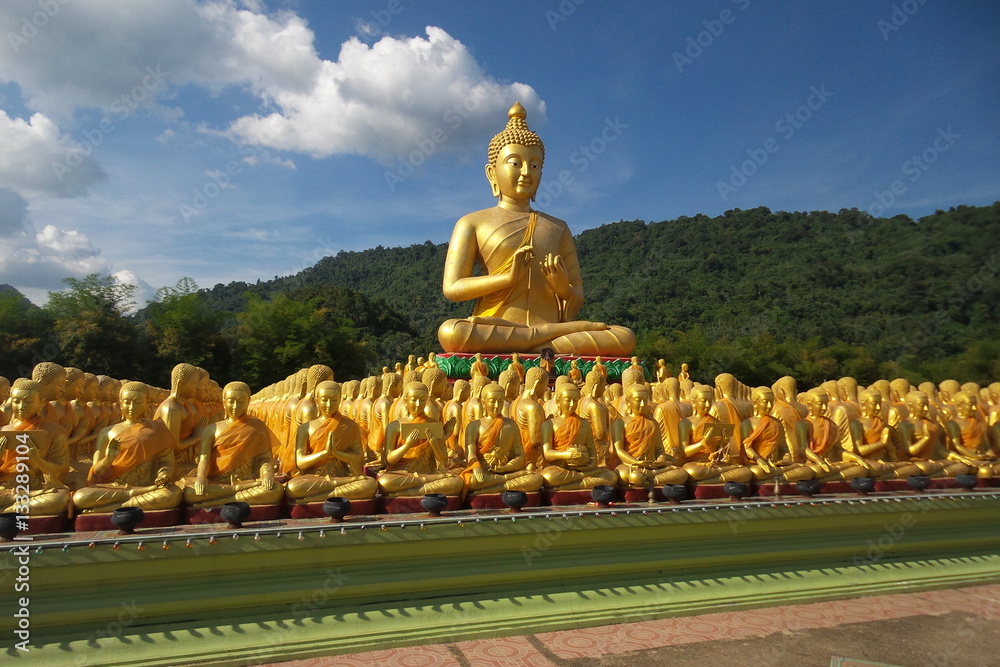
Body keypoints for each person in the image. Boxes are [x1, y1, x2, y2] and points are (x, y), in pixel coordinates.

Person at [437, 102, 634, 355]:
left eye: (535, 165)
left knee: (623, 337)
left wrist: (563, 288)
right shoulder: (472, 223)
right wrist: (508, 278)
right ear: (491, 173)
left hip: (546, 329)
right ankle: (541, 345)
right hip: (500, 327)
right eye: (515, 163)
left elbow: (578, 296)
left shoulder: (558, 228)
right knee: (453, 332)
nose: (526, 173)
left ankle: (538, 342)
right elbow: (453, 288)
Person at [183, 382, 284, 509]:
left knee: (275, 490)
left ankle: (217, 502)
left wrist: (267, 475)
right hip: (220, 483)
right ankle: (235, 498)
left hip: (247, 481)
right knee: (189, 493)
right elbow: (204, 459)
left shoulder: (258, 427)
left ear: (248, 401)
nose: (235, 406)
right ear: (224, 401)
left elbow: (265, 459)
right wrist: (201, 478)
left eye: (241, 401)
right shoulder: (212, 429)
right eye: (231, 401)